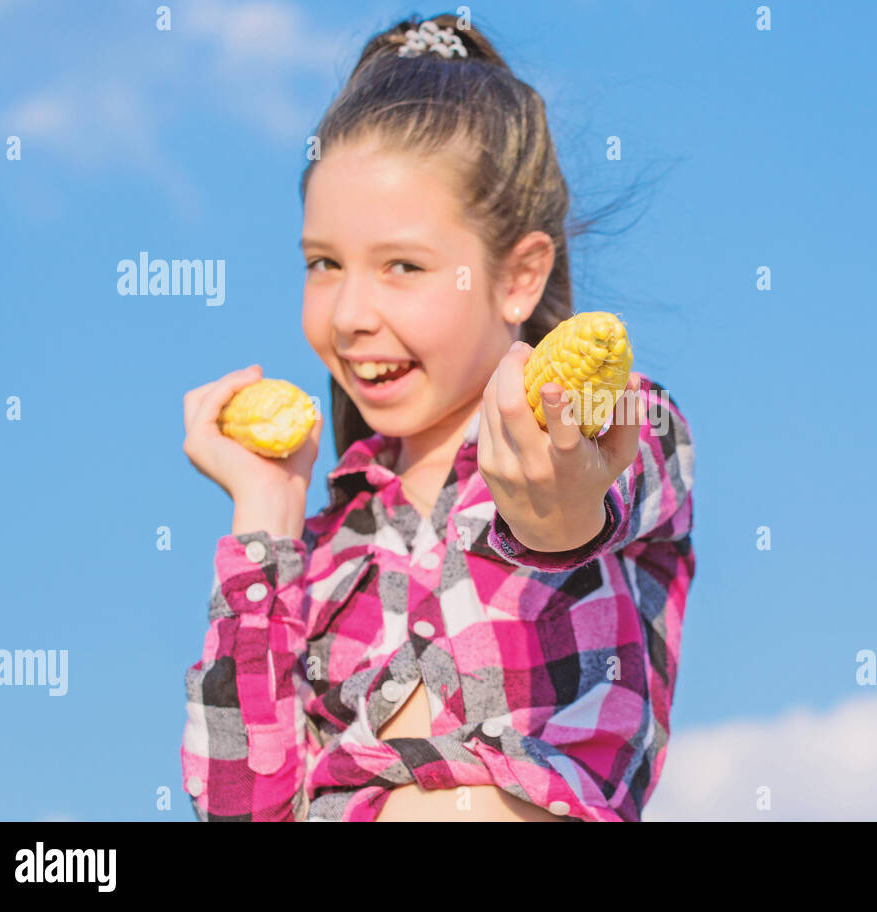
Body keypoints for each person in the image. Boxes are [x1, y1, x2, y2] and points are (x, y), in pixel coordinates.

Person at [178, 13, 696, 821]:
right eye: (324, 264)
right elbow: (238, 810)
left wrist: (557, 514)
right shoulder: (320, 556)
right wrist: (266, 518)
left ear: (519, 277)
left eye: (403, 267)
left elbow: (610, 473)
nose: (350, 312)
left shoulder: (608, 430)